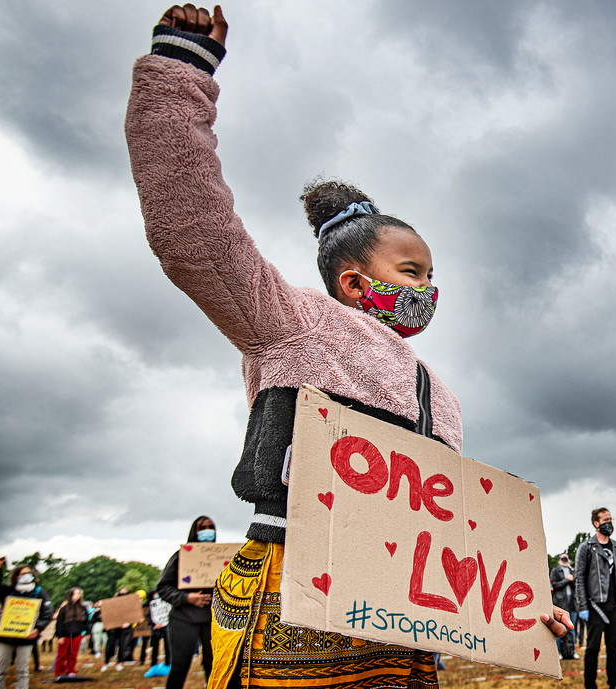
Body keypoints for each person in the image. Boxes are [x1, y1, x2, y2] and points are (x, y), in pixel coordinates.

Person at [124, 8, 572, 689]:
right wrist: (181, 72)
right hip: (292, 604)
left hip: (396, 628)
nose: (428, 287)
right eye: (412, 272)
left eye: (431, 274)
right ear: (354, 281)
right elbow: (191, 227)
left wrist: (524, 611)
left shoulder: (440, 397)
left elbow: (453, 542)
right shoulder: (294, 325)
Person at [156, 517, 217, 689]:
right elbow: (163, 587)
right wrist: (187, 597)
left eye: (210, 527)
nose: (207, 531)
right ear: (194, 531)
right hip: (183, 618)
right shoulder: (181, 556)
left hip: (212, 620)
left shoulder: (223, 556)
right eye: (202, 528)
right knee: (179, 666)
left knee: (213, 665)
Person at [574, 507, 616, 689]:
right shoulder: (586, 548)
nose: (609, 523)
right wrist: (582, 605)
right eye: (605, 520)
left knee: (613, 648)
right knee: (592, 649)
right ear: (596, 524)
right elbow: (579, 578)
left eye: (610, 519)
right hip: (595, 606)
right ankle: (590, 685)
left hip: (615, 606)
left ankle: (614, 683)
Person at [0, 558, 54, 689]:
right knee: (1, 670)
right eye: (22, 574)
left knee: (22, 670)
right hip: (6, 636)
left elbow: (47, 612)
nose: (26, 576)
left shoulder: (38, 592)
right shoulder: (9, 591)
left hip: (27, 637)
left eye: (28, 573)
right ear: (16, 576)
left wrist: (37, 629)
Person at [53, 587, 91, 679]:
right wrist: (60, 635)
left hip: (77, 634)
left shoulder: (82, 608)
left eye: (79, 593)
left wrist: (87, 633)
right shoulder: (64, 608)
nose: (78, 595)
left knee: (73, 654)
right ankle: (59, 672)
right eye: (76, 593)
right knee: (62, 655)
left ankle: (71, 671)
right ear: (71, 595)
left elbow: (86, 622)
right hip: (65, 635)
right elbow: (59, 623)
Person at [551, 553, 579, 661]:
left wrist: (572, 580)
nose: (565, 558)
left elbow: (576, 585)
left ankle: (572, 651)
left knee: (572, 628)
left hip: (572, 603)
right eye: (563, 557)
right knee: (559, 629)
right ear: (559, 559)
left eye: (566, 557)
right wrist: (567, 580)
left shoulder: (572, 570)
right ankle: (557, 652)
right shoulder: (555, 571)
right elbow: (555, 585)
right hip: (560, 603)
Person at [101, 588, 135, 671]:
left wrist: (128, 623)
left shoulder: (129, 604)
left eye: (125, 592)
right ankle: (106, 663)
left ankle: (119, 663)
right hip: (113, 628)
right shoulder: (113, 603)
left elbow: (132, 615)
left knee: (122, 645)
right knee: (110, 645)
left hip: (124, 629)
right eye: (122, 591)